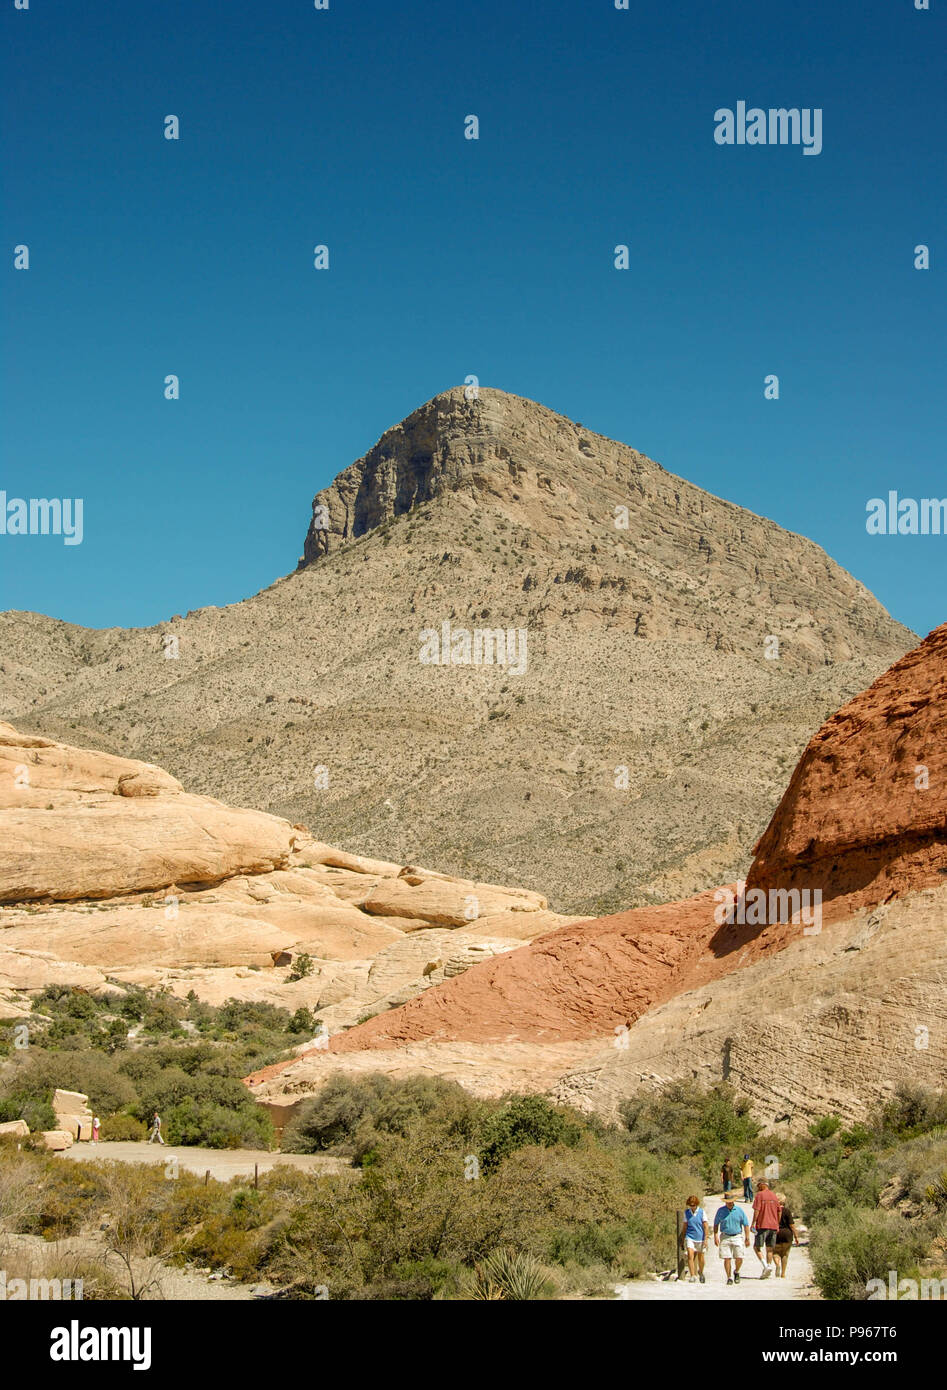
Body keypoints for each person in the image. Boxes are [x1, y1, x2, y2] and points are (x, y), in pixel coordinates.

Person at [713, 1191, 750, 1285]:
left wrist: (747, 1237)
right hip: (725, 1236)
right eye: (727, 1201)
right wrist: (715, 1236)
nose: (729, 1203)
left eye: (731, 1201)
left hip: (737, 1236)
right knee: (727, 1258)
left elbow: (745, 1224)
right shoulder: (721, 1211)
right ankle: (729, 1277)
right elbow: (716, 1224)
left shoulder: (739, 1211)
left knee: (739, 1257)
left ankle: (737, 1271)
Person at [751, 1179, 781, 1277]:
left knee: (756, 1247)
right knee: (770, 1249)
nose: (758, 1188)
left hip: (762, 1225)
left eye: (758, 1186)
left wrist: (753, 1223)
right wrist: (777, 1223)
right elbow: (779, 1211)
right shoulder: (774, 1195)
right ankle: (769, 1265)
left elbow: (757, 1210)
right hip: (773, 1226)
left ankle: (765, 1266)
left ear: (762, 1185)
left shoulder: (759, 1195)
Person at [681, 1196, 709, 1283]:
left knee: (701, 1258)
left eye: (693, 1205)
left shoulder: (701, 1212)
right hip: (690, 1237)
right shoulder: (687, 1213)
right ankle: (692, 1275)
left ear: (696, 1204)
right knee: (690, 1254)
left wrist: (706, 1238)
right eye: (690, 1205)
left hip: (700, 1237)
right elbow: (685, 1226)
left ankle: (700, 1271)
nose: (692, 1206)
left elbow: (705, 1226)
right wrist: (682, 1238)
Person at [772, 1194, 800, 1278]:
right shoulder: (787, 1211)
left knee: (775, 1252)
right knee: (785, 1254)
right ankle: (783, 1273)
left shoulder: (773, 1210)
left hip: (776, 1234)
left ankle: (777, 1264)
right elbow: (791, 1225)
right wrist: (796, 1236)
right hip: (787, 1234)